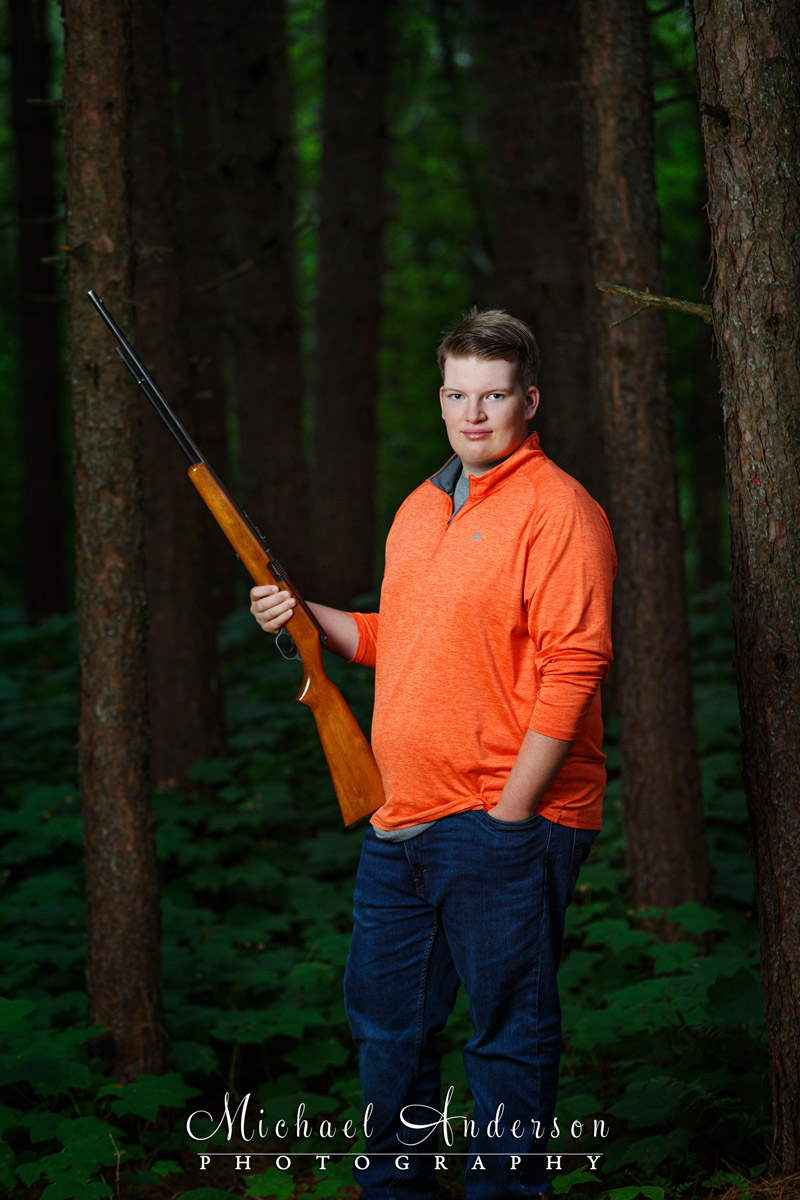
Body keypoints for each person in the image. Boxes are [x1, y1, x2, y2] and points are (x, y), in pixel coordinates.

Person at [250, 309, 616, 1199]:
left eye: (494, 395)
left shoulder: (559, 510)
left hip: (501, 820)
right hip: (399, 816)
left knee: (506, 1037)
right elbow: (392, 635)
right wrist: (302, 614)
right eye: (458, 393)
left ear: (529, 400)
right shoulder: (420, 508)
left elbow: (577, 664)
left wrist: (513, 812)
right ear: (442, 398)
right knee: (387, 1032)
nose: (474, 413)